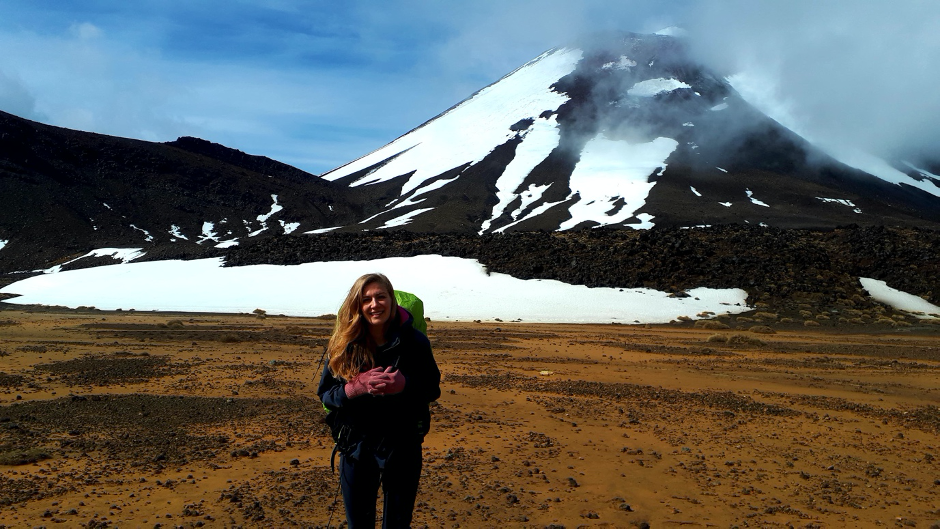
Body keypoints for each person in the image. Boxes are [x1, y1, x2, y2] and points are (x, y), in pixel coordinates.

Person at [317, 273, 440, 528]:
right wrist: (354, 388)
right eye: (367, 299)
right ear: (358, 306)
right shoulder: (344, 346)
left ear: (392, 300)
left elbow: (431, 388)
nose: (375, 304)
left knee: (397, 524)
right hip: (355, 446)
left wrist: (403, 385)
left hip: (403, 445)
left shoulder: (415, 343)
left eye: (381, 296)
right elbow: (326, 395)